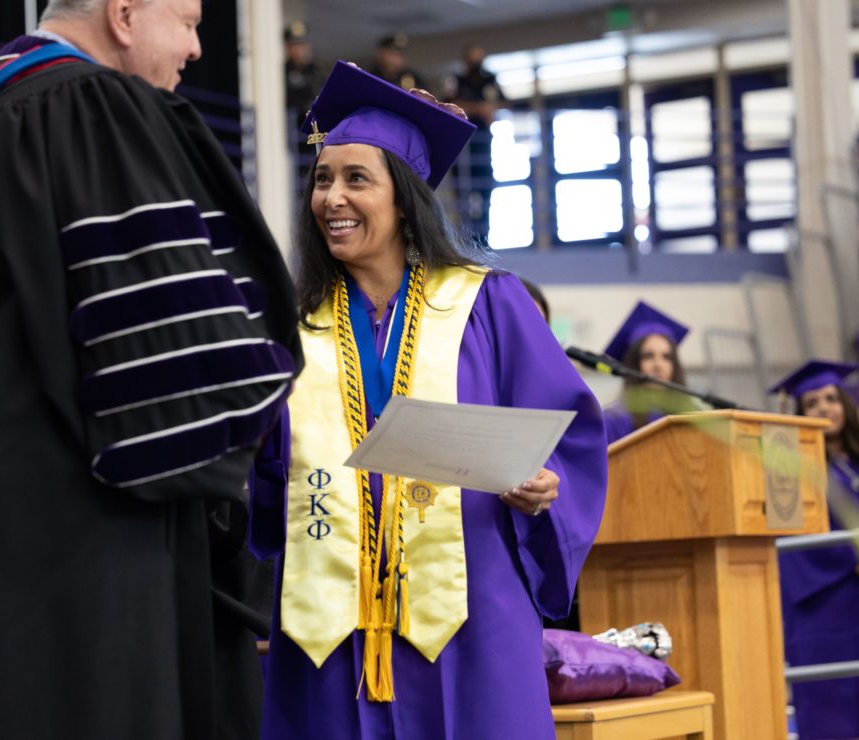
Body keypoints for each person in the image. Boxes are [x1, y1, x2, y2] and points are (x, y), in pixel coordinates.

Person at [0, 0, 302, 737]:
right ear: (124, 14)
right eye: (187, 22)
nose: (193, 49)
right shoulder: (82, 107)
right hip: (81, 578)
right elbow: (176, 377)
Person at [249, 60, 608, 739]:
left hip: (470, 616)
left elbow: (565, 435)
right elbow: (261, 479)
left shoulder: (486, 305)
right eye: (322, 179)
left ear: (404, 196)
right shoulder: (295, 327)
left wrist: (542, 484)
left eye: (357, 179)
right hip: (331, 628)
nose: (332, 198)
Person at [771, 360, 859, 740]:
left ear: (846, 405)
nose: (825, 408)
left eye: (832, 398)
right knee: (832, 714)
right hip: (825, 611)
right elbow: (793, 541)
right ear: (801, 415)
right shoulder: (789, 475)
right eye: (813, 402)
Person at [601, 301, 698, 442]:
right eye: (648, 356)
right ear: (634, 363)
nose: (658, 365)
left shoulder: (692, 416)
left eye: (666, 357)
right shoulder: (613, 420)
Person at [445, 45, 506, 241]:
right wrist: (477, 108)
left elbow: (502, 102)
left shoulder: (490, 79)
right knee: (462, 194)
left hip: (483, 147)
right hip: (462, 146)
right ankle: (465, 238)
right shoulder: (457, 80)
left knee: (485, 192)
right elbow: (450, 103)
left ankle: (483, 237)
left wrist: (487, 109)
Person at [284, 22, 323, 123]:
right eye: (295, 45)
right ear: (288, 47)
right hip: (294, 125)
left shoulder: (314, 70)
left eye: (302, 44)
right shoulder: (284, 71)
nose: (300, 49)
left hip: (315, 123)